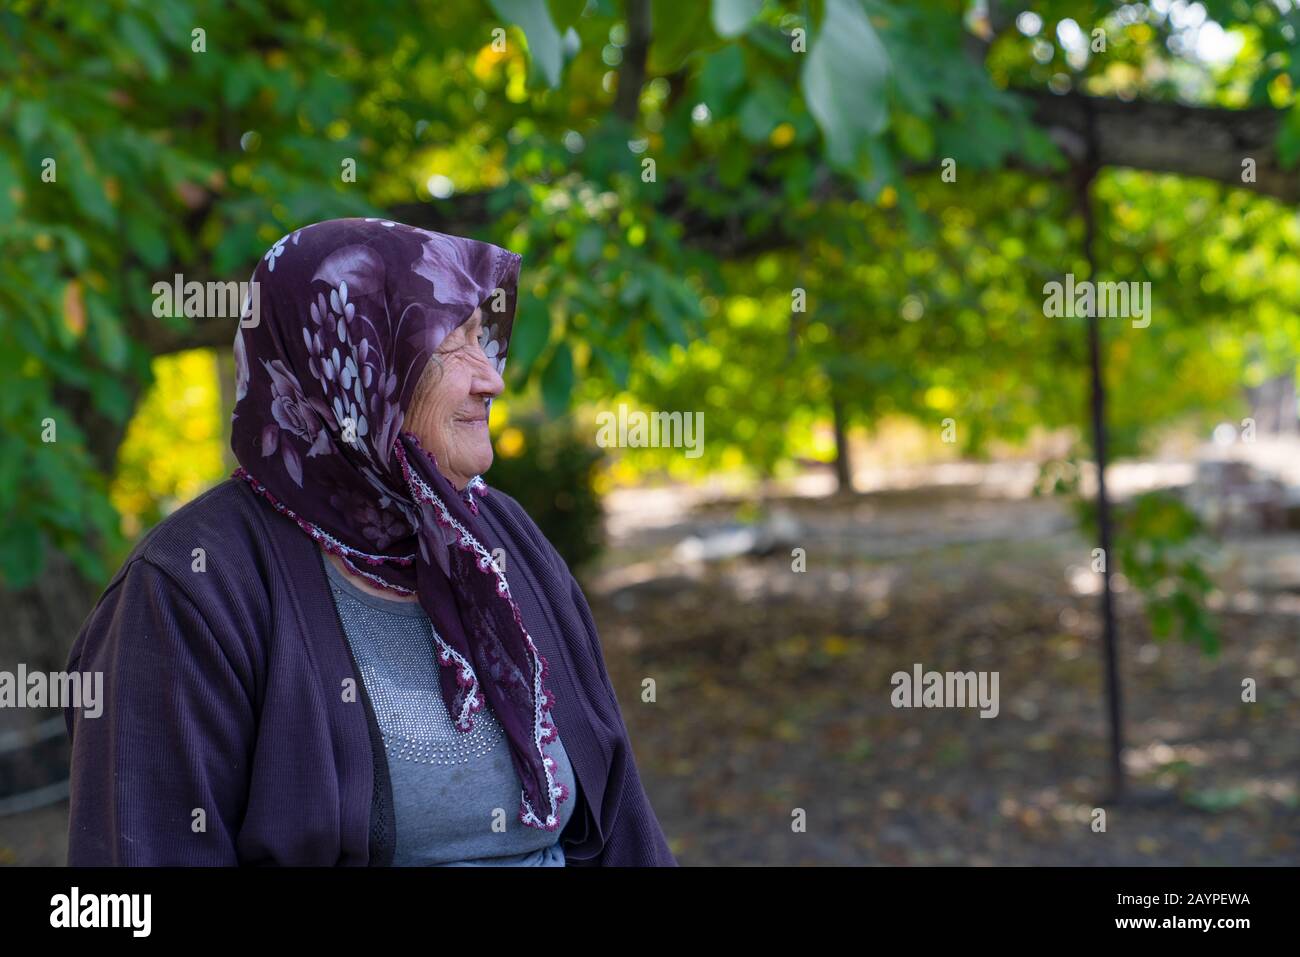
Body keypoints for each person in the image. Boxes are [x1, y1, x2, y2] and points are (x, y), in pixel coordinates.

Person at [63, 217, 677, 866]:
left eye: (482, 338)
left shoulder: (503, 538)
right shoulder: (190, 587)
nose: (491, 379)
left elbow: (621, 824)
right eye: (449, 343)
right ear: (352, 364)